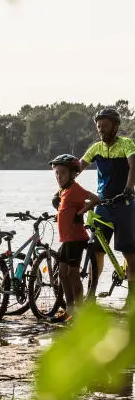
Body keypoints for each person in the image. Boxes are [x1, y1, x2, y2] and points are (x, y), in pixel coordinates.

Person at [79, 107, 135, 283]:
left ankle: (131, 299)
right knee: (96, 251)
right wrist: (63, 189)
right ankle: (92, 295)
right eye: (98, 126)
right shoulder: (96, 148)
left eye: (105, 125)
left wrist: (128, 188)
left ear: (115, 126)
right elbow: (78, 168)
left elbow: (134, 165)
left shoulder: (126, 144)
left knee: (129, 253)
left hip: (124, 205)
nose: (101, 129)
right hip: (102, 205)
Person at [49, 153, 98, 320]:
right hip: (66, 239)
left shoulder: (76, 189)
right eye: (56, 172)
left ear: (72, 174)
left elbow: (95, 199)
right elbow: (65, 208)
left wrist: (83, 211)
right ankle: (70, 311)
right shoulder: (63, 190)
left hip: (76, 238)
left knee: (73, 274)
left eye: (62, 172)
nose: (58, 176)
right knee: (62, 274)